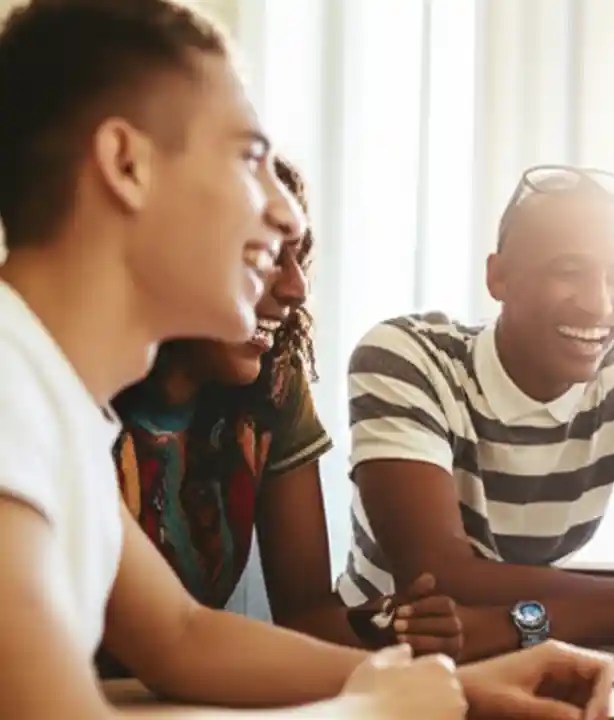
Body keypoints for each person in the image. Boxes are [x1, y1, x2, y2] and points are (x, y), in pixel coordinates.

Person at [0, 2, 612, 719]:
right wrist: (374, 713)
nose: (286, 216)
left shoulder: (52, 405)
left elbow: (181, 636)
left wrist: (463, 688)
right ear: (126, 165)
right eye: (248, 158)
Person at [338, 165, 614, 658]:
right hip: (380, 663)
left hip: (530, 661)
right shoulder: (407, 357)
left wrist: (519, 623)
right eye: (568, 271)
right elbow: (440, 576)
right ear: (498, 276)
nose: (599, 305)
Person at [105, 156, 463, 660]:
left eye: (300, 257)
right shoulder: (65, 388)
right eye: (266, 254)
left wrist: (389, 628)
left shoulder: (274, 387)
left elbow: (303, 615)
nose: (296, 288)